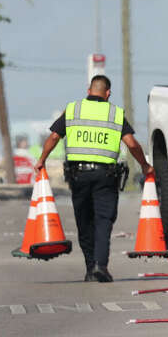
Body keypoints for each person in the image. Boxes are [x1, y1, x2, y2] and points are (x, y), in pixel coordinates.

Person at [34, 75, 152, 282]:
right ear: (108, 93)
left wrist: (41, 160)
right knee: (103, 220)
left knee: (84, 221)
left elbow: (54, 136)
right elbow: (132, 144)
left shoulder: (73, 110)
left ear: (88, 91)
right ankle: (100, 265)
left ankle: (90, 268)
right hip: (105, 176)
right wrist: (144, 165)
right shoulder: (115, 113)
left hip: (78, 175)